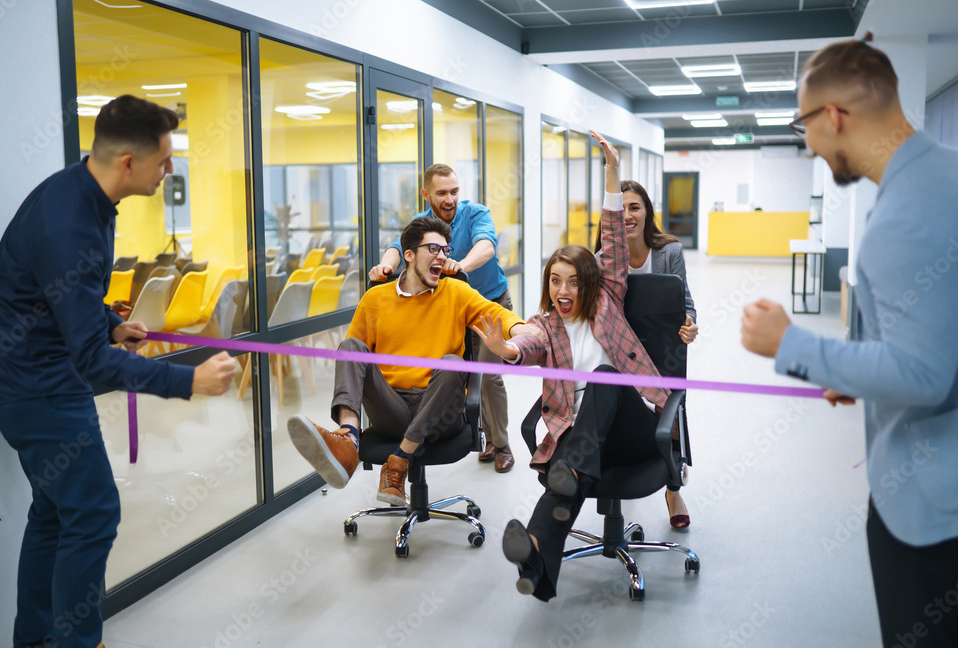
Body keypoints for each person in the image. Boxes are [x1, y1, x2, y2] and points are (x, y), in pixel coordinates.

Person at [0, 95, 237, 648]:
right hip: (36, 386)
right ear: (128, 164)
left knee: (55, 511)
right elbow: (91, 360)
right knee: (93, 512)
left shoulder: (82, 193)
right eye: (165, 161)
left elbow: (59, 291)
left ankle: (36, 638)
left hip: (27, 375)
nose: (169, 172)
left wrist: (107, 322)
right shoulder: (71, 226)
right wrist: (188, 382)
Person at [740, 33, 958, 647]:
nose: (808, 144)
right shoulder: (954, 174)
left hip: (935, 516)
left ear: (833, 116)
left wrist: (792, 343)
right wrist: (852, 371)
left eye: (803, 125)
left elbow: (922, 372)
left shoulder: (903, 217)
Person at [473, 130, 672, 601]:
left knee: (603, 380)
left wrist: (612, 174)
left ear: (590, 283)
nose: (563, 291)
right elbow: (528, 341)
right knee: (569, 475)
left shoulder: (609, 299)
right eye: (554, 281)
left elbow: (613, 240)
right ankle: (539, 561)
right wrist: (509, 351)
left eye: (572, 282)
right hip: (583, 444)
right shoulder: (545, 325)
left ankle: (568, 478)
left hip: (635, 423)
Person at [288, 215, 535, 505]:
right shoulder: (376, 299)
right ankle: (348, 440)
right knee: (351, 345)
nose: (442, 257)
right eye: (433, 249)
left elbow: (496, 313)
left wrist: (521, 329)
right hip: (392, 408)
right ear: (409, 255)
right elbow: (352, 362)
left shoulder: (456, 291)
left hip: (441, 413)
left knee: (452, 363)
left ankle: (399, 462)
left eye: (446, 251)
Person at [369, 164, 517, 472]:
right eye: (441, 193)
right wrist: (384, 266)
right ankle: (438, 429)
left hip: (486, 303)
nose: (449, 199)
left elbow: (487, 246)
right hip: (449, 310)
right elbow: (399, 247)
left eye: (454, 192)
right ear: (426, 194)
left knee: (488, 378)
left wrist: (457, 265)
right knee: (446, 372)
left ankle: (499, 444)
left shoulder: (475, 213)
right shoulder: (421, 223)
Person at [594, 179, 698, 529]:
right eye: (619, 208)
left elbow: (686, 306)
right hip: (620, 357)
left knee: (669, 421)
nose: (627, 215)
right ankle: (619, 483)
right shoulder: (601, 261)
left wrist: (689, 325)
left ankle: (672, 488)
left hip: (664, 355)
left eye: (634, 207)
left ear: (646, 211)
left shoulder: (668, 253)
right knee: (623, 419)